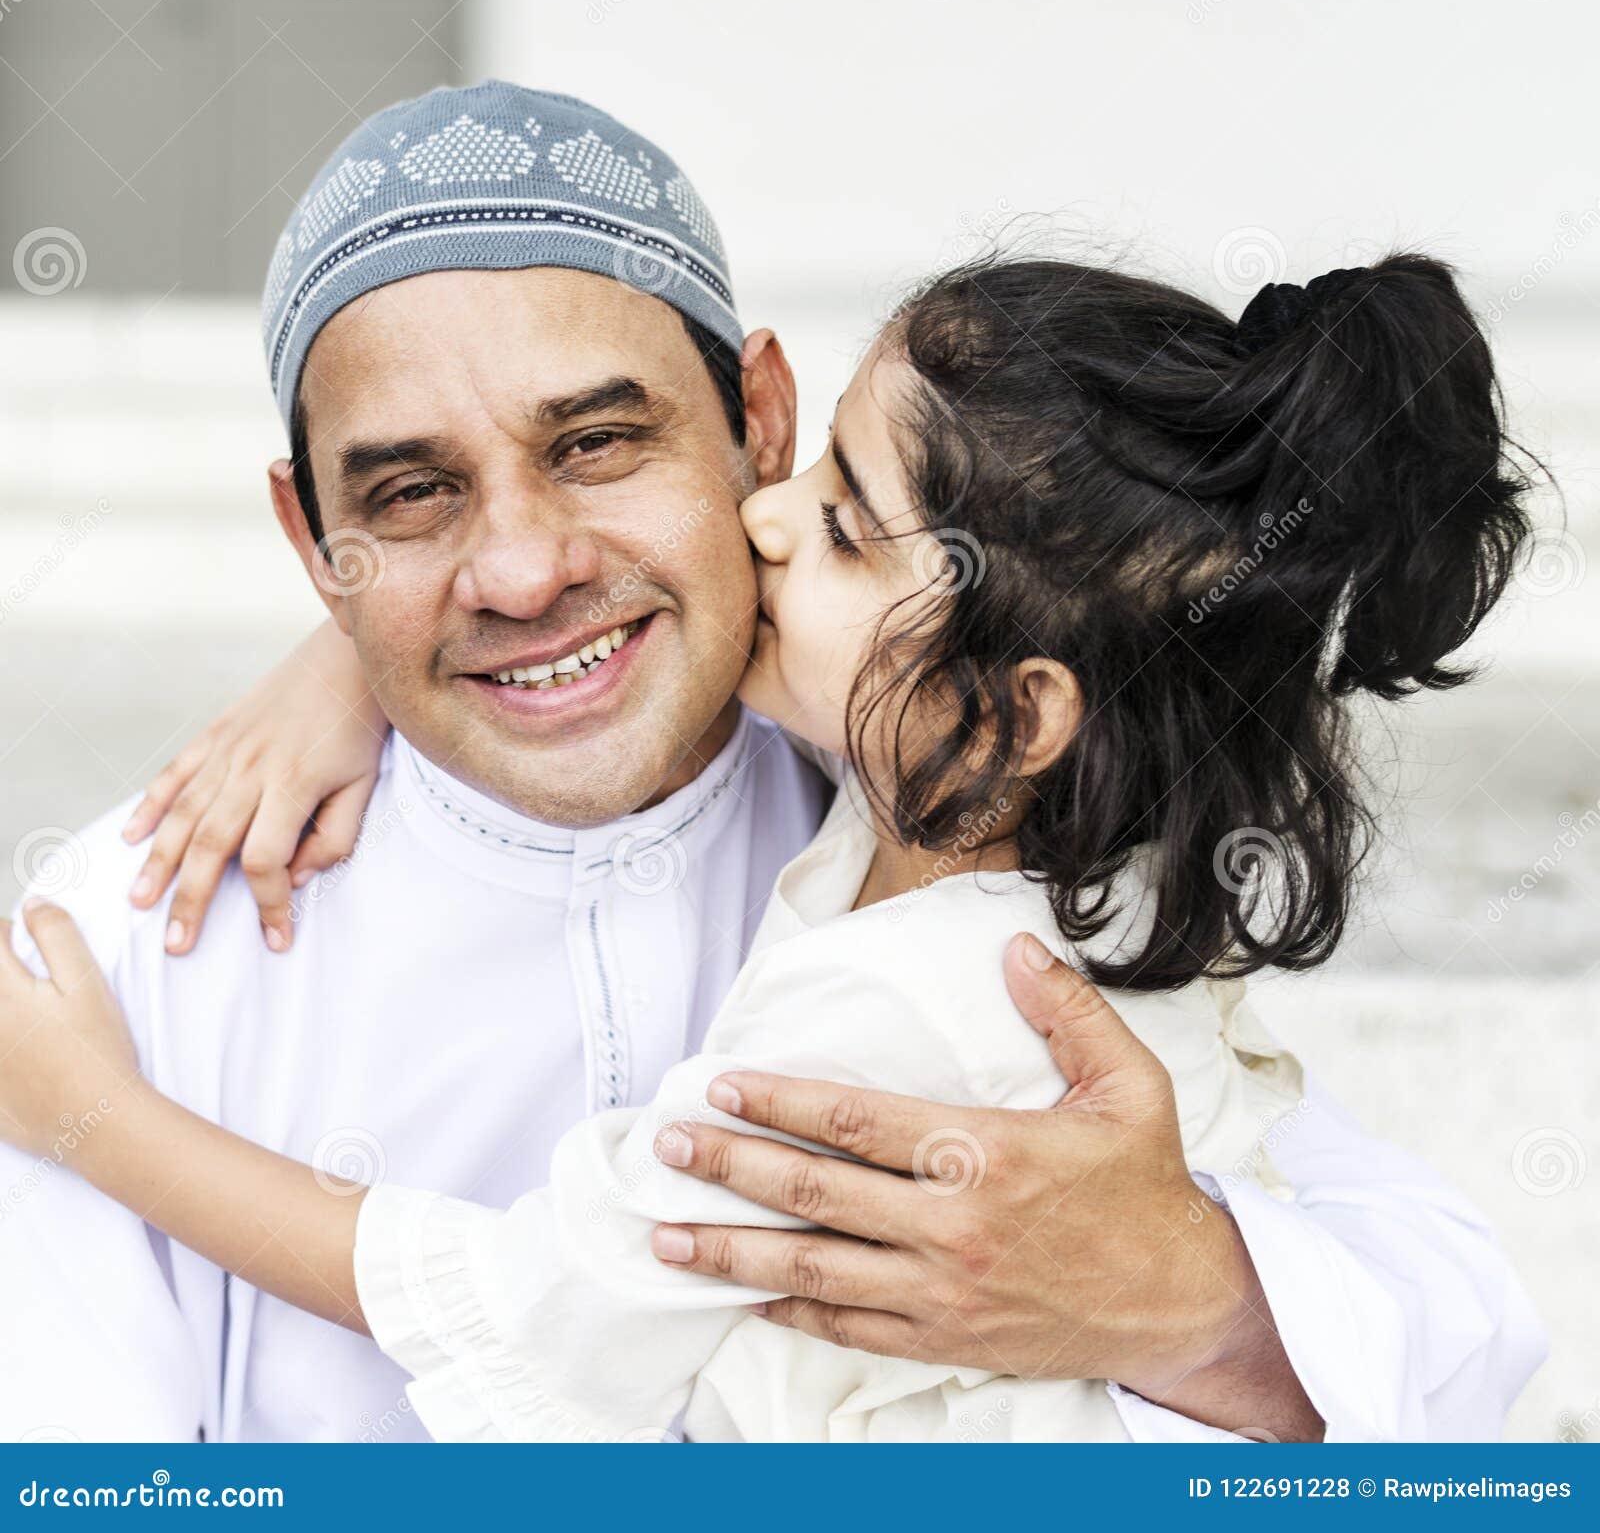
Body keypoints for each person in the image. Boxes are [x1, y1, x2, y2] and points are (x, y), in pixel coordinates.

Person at [0, 81, 1545, 1444]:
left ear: (760, 423)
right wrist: (359, 647)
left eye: (601, 443)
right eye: (409, 493)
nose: (523, 571)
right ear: (308, 535)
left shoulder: (963, 857)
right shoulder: (120, 953)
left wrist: (1190, 1302)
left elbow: (1454, 1330)